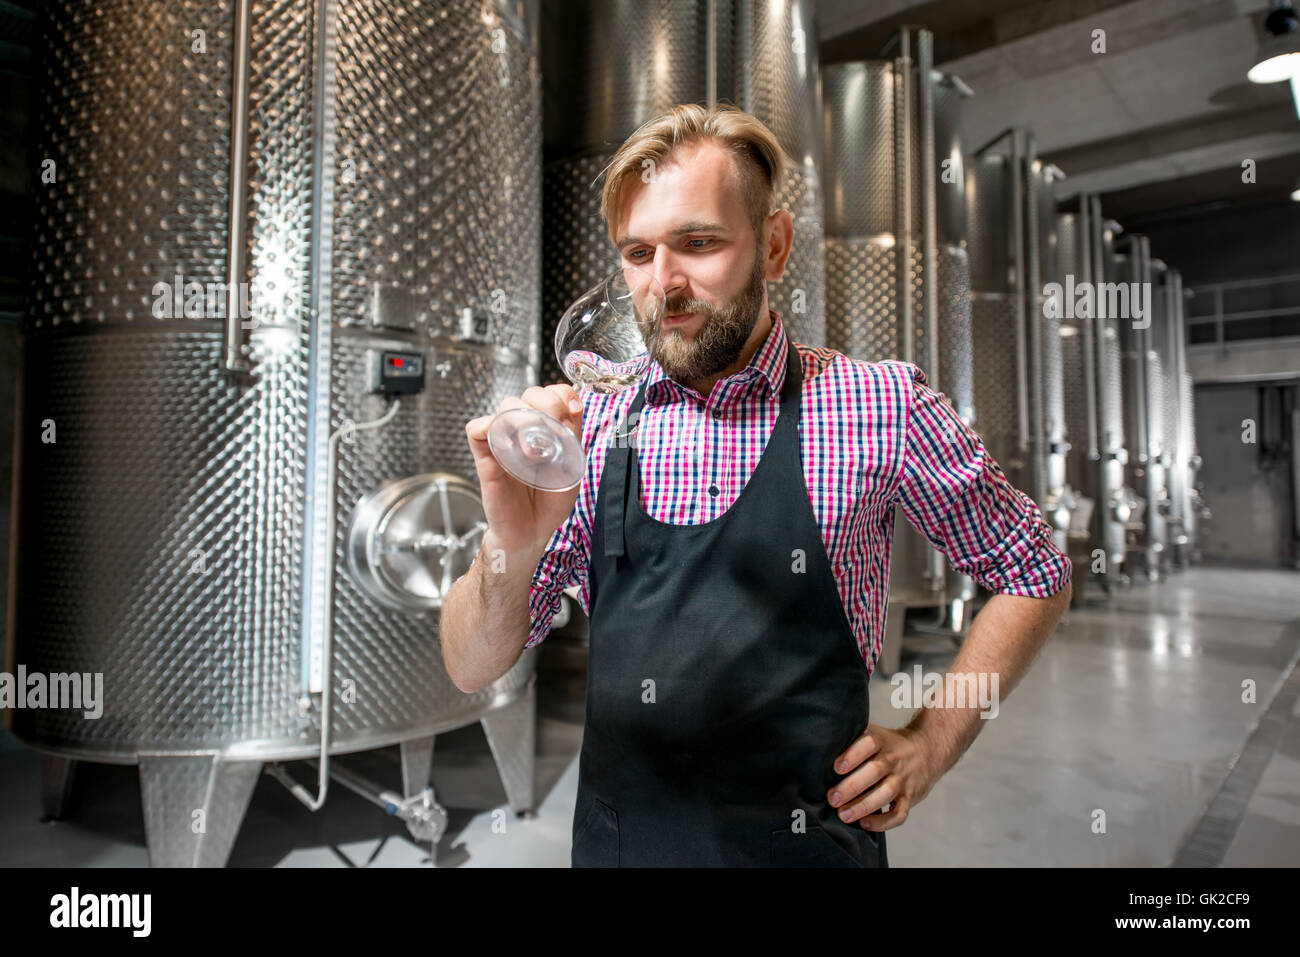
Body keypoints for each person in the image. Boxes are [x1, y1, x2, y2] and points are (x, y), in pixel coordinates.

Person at [441, 103, 1071, 868]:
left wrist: (929, 742)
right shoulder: (594, 423)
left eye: (698, 242)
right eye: (637, 254)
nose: (663, 284)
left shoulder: (878, 405)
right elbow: (471, 665)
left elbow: (1034, 569)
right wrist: (510, 542)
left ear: (772, 247)